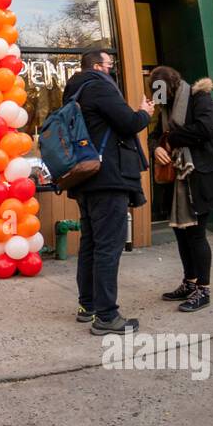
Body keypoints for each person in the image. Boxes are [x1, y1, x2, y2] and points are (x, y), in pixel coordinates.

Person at [62, 48, 153, 335]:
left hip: (86, 179)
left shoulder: (74, 91)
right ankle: (106, 317)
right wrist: (144, 113)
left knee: (90, 243)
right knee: (108, 247)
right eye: (111, 64)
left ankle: (87, 305)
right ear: (99, 67)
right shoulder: (100, 87)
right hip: (108, 178)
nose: (112, 69)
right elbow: (128, 123)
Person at [149, 65, 213, 312]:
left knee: (197, 235)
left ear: (172, 86)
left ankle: (203, 289)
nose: (160, 100)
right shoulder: (166, 107)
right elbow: (156, 134)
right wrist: (156, 146)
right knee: (181, 234)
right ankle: (189, 282)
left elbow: (207, 129)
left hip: (200, 176)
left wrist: (171, 139)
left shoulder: (200, 98)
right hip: (178, 181)